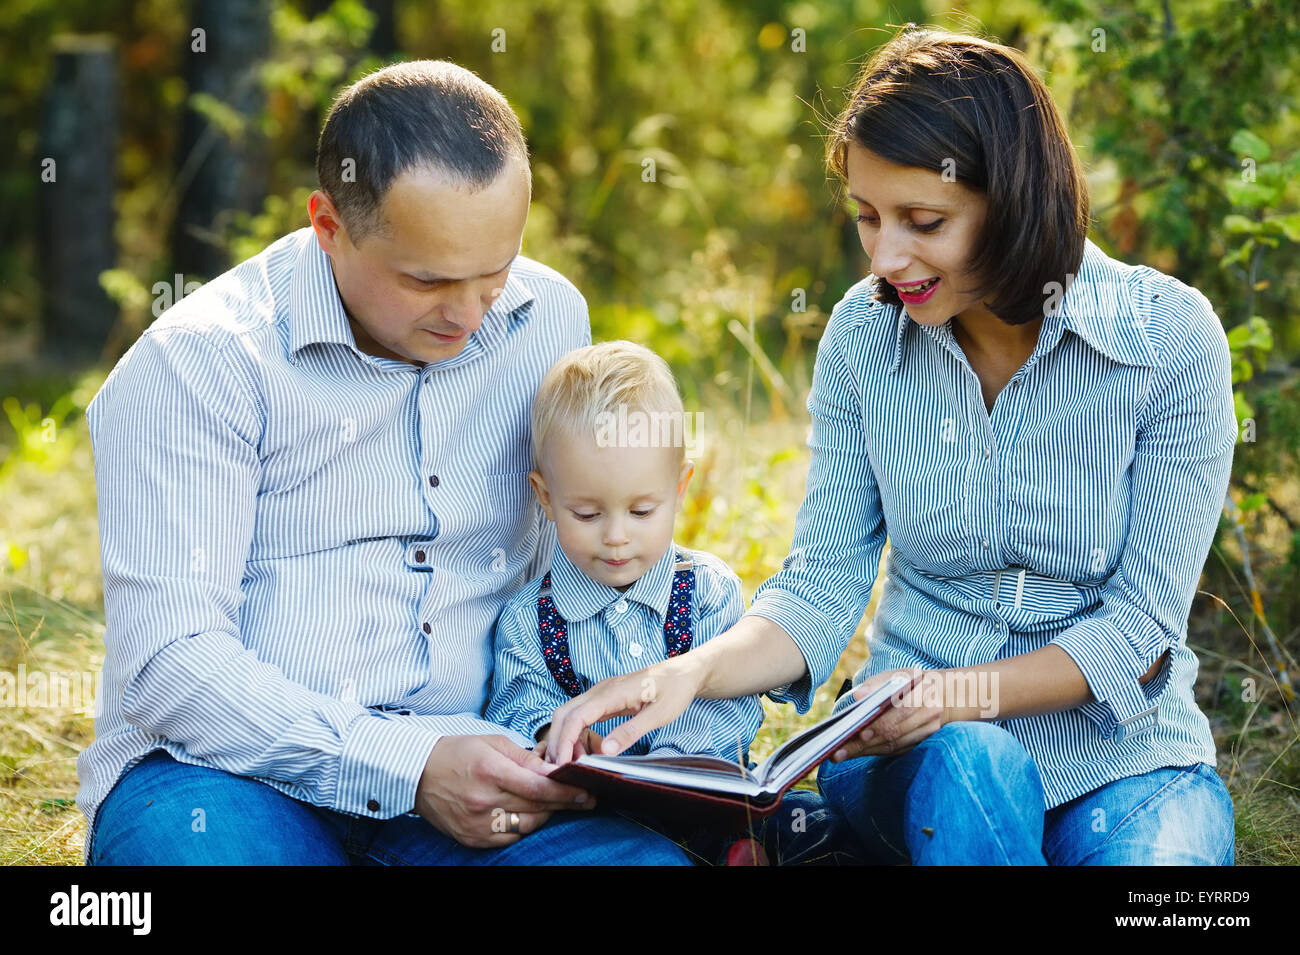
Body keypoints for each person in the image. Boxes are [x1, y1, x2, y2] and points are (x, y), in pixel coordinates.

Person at [542, 26, 1237, 866]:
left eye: (924, 220)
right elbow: (823, 581)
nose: (887, 255)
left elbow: (1141, 629)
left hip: (1127, 764)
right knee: (973, 762)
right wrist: (686, 672)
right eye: (869, 217)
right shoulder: (864, 338)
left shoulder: (1168, 341)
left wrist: (957, 692)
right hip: (917, 758)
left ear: (1013, 198)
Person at [78, 60, 690, 865]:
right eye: (428, 279)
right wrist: (406, 765)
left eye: (495, 271)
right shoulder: (197, 365)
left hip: (484, 765)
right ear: (329, 224)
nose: (471, 314)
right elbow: (171, 664)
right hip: (225, 775)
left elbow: (567, 557)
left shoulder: (549, 317)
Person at [485, 340, 857, 864]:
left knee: (811, 826)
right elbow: (516, 709)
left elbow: (729, 705)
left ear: (679, 487)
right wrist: (555, 736)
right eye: (587, 514)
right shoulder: (529, 618)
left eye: (641, 511)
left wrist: (674, 764)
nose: (616, 536)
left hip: (708, 799)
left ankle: (743, 847)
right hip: (600, 817)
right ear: (545, 498)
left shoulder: (705, 589)